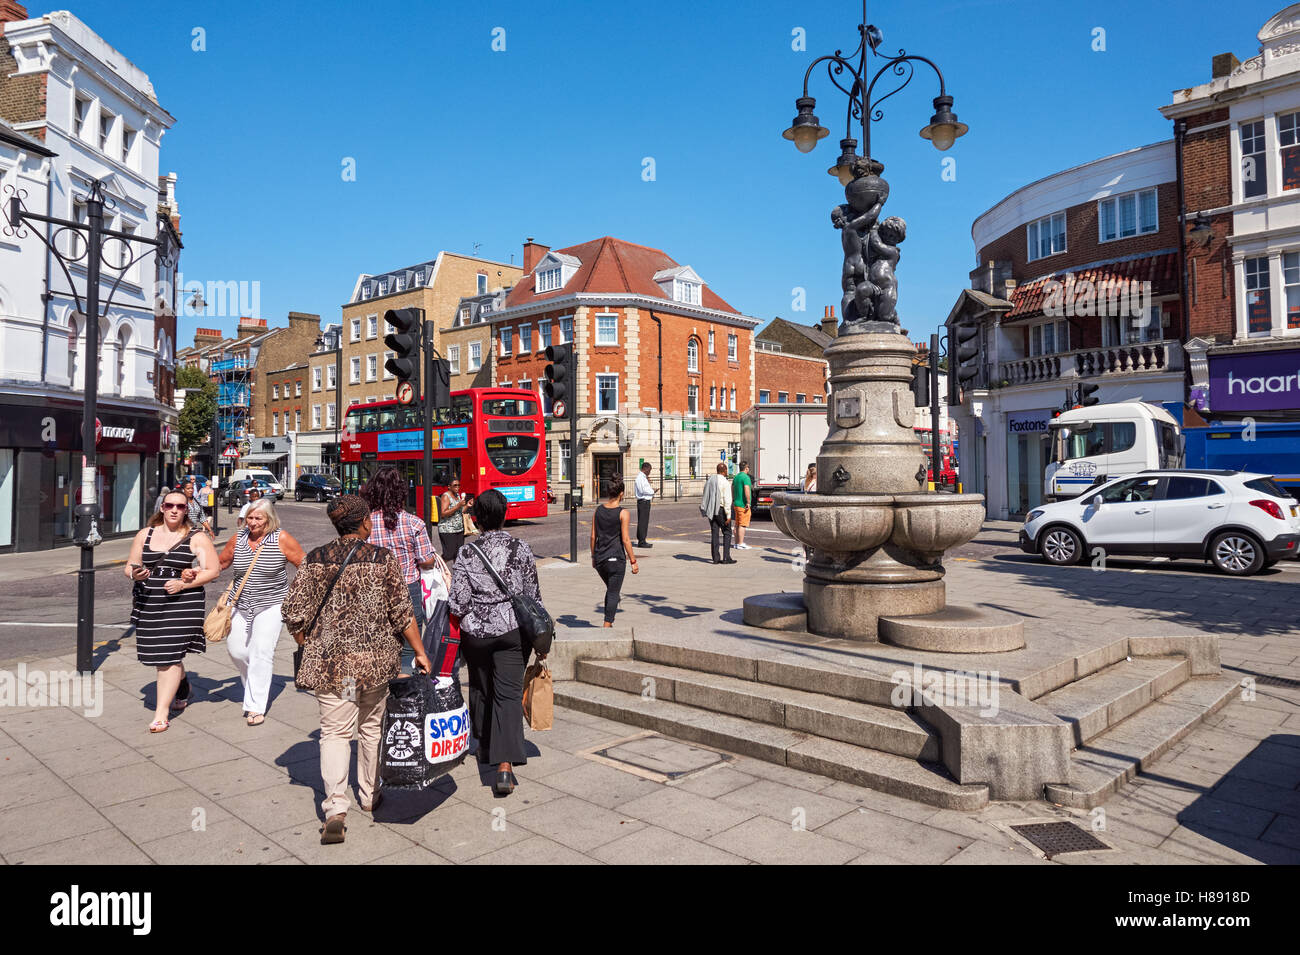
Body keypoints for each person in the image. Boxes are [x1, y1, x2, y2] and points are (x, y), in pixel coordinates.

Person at [281, 495, 431, 845]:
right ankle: (370, 794)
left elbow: (293, 612)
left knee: (334, 732)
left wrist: (307, 643)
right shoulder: (382, 559)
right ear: (364, 523)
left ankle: (335, 807)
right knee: (371, 728)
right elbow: (402, 613)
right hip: (375, 664)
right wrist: (420, 652)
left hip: (333, 667)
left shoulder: (316, 559)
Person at [449, 489, 545, 797]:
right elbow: (532, 595)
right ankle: (504, 767)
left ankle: (483, 744)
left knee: (480, 686)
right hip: (510, 631)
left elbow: (459, 602)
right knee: (507, 693)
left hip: (476, 633)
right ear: (504, 515)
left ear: (476, 519)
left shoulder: (466, 552)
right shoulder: (521, 547)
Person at [125, 489, 221, 733]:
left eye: (180, 506)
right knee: (162, 655)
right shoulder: (145, 535)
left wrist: (184, 582)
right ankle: (183, 686)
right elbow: (130, 566)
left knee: (166, 658)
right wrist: (136, 573)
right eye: (170, 506)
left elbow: (213, 569)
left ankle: (161, 714)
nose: (175, 510)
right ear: (162, 507)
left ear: (187, 510)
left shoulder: (196, 537)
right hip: (150, 601)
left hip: (183, 604)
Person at [217, 498, 305, 725]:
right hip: (240, 603)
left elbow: (304, 566)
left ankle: (255, 706)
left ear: (269, 519)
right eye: (249, 518)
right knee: (236, 651)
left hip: (272, 604)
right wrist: (197, 571)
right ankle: (253, 687)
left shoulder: (281, 538)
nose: (253, 522)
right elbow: (221, 563)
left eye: (258, 518)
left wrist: (298, 596)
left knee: (261, 652)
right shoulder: (239, 539)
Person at [361, 465, 439, 673]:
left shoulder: (364, 525)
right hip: (408, 589)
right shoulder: (414, 523)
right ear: (401, 492)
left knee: (377, 644)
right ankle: (402, 696)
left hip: (374, 591)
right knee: (408, 650)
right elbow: (427, 561)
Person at [591, 475, 638, 627]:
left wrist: (593, 556)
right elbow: (625, 539)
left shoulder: (598, 510)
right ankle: (606, 626)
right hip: (616, 559)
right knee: (613, 592)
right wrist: (633, 561)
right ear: (621, 493)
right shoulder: (623, 513)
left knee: (612, 590)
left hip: (600, 560)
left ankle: (609, 623)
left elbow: (593, 536)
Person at [700, 463, 735, 565]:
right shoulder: (725, 482)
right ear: (724, 471)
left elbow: (705, 493)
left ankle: (715, 558)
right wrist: (728, 515)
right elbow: (727, 499)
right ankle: (726, 557)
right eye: (727, 470)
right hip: (721, 510)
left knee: (715, 533)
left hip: (711, 509)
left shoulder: (710, 480)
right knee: (727, 532)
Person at [438, 478, 471, 562]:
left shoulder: (457, 495)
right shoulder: (446, 496)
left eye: (459, 485)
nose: (457, 487)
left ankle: (457, 573)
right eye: (455, 485)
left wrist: (467, 505)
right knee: (448, 554)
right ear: (449, 487)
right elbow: (443, 513)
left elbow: (460, 511)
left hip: (459, 529)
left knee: (458, 554)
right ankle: (438, 569)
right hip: (447, 530)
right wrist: (458, 506)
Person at [732, 461, 754, 549]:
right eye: (748, 468)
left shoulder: (736, 477)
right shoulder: (746, 477)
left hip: (736, 503)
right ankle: (740, 543)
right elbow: (747, 489)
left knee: (737, 524)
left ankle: (737, 543)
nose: (748, 469)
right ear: (746, 468)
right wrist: (748, 502)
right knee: (742, 524)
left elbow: (732, 488)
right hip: (743, 504)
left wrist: (733, 499)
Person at [633, 461, 655, 548]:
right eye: (649, 470)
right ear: (645, 469)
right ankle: (642, 541)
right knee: (643, 522)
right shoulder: (640, 478)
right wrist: (652, 491)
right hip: (643, 501)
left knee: (644, 521)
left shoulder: (643, 477)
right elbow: (643, 490)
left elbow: (645, 488)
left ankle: (642, 539)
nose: (650, 472)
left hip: (645, 501)